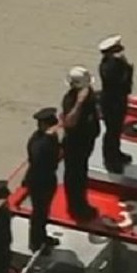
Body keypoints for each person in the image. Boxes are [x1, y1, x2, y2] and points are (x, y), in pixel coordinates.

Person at [61, 66, 101, 221]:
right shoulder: (70, 99)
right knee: (75, 178)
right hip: (74, 145)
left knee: (82, 175)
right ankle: (77, 209)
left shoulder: (89, 93)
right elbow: (69, 123)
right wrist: (79, 103)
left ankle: (82, 204)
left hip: (86, 142)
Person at [25, 107, 62, 253]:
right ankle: (35, 242)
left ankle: (42, 235)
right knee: (38, 212)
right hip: (38, 180)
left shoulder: (50, 137)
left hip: (47, 177)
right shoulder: (38, 141)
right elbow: (38, 159)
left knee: (44, 210)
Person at [98, 35, 134, 172]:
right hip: (112, 103)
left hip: (117, 101)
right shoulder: (110, 66)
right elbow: (121, 84)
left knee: (116, 130)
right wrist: (128, 70)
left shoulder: (112, 63)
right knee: (112, 132)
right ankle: (111, 160)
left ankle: (116, 153)